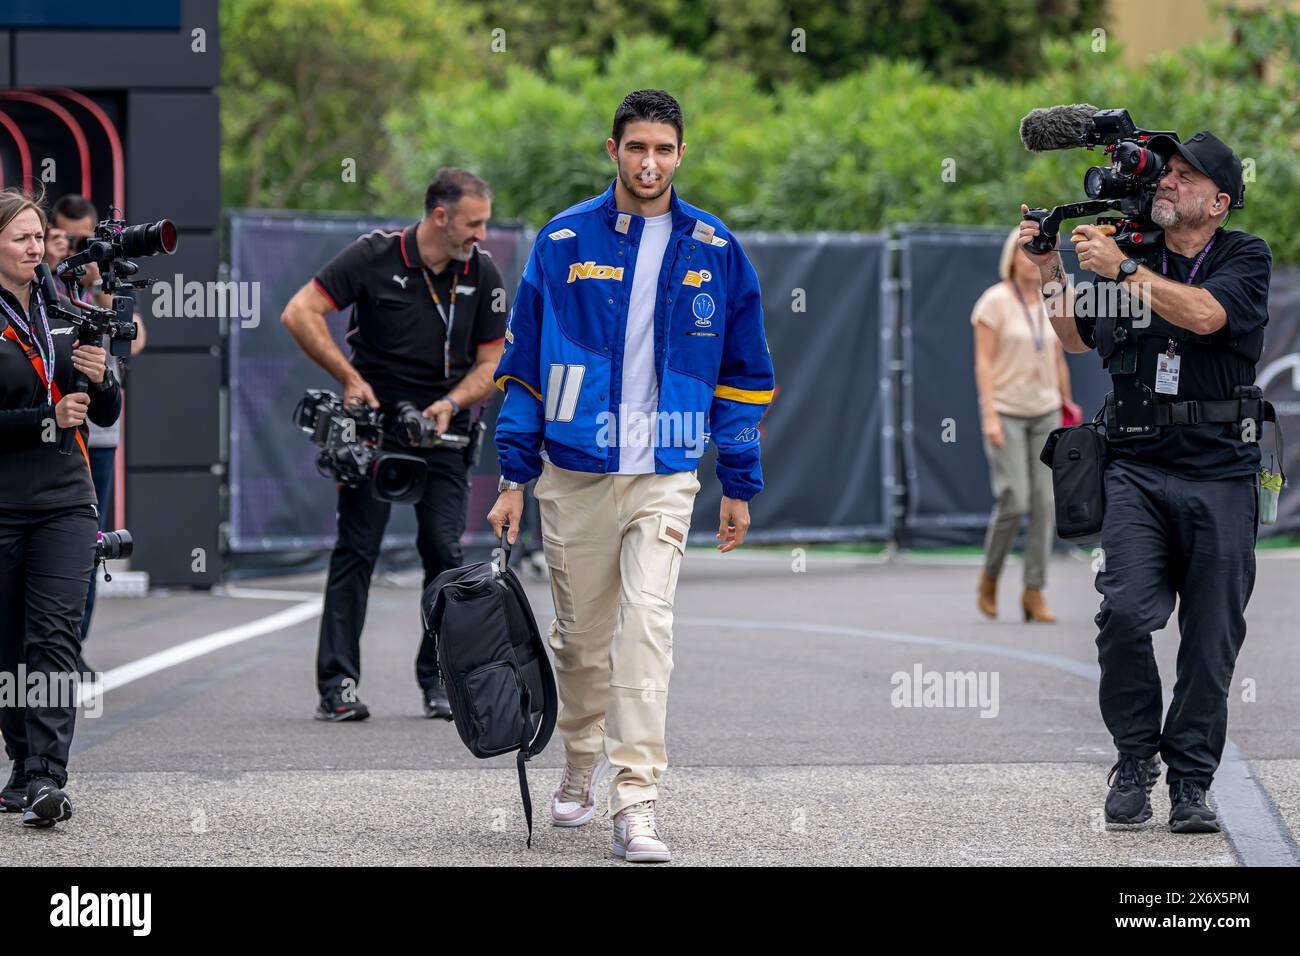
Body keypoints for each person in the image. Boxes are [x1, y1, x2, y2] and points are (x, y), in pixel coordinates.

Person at [486, 89, 775, 863]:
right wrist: (513, 477)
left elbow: (744, 379)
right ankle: (580, 762)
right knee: (580, 644)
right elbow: (523, 372)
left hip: (667, 475)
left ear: (682, 155)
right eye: (636, 147)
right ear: (612, 149)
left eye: (665, 149)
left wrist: (739, 483)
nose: (650, 162)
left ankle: (637, 800)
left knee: (647, 627)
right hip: (573, 475)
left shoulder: (716, 248)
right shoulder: (561, 240)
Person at [1019, 131, 1272, 833]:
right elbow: (1074, 338)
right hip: (1135, 466)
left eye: (1185, 178)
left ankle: (1191, 782)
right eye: (1166, 172)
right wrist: (1049, 271)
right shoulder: (1126, 253)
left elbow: (1207, 314)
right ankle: (1136, 758)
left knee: (1211, 638)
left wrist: (1125, 269)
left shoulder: (1243, 256)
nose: (1167, 182)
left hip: (1222, 471)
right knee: (1125, 614)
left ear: (1218, 202)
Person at [280, 168, 506, 722]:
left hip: (445, 430)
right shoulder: (373, 256)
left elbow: (493, 361)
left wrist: (451, 403)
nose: (481, 234)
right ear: (440, 216)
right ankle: (338, 687)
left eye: (485, 223)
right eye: (473, 224)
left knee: (445, 556)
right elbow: (298, 311)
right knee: (357, 552)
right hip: (374, 430)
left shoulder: (485, 271)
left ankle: (438, 682)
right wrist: (350, 380)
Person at [0, 188, 120, 826]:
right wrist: (43, 418)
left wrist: (102, 380)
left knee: (53, 640)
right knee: (7, 648)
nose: (34, 248)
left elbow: (106, 411)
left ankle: (48, 776)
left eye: (40, 238)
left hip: (67, 502)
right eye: (21, 237)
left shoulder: (66, 311)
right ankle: (21, 763)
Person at [43, 194, 148, 646]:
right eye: (63, 238)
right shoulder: (39, 284)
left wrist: (97, 282)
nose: (72, 247)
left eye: (83, 239)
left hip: (98, 429)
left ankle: (74, 646)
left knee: (88, 539)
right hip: (45, 421)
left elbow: (137, 339)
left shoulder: (97, 286)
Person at [972, 228, 1078, 623]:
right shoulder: (993, 302)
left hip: (1046, 410)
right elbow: (982, 362)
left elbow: (1059, 354)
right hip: (1006, 410)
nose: (1028, 258)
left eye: (1035, 251)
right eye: (1022, 252)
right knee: (1014, 498)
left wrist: (1066, 401)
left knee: (1045, 502)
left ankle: (1033, 591)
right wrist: (988, 415)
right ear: (1012, 259)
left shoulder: (1052, 299)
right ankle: (990, 576)